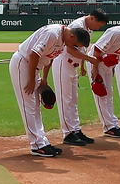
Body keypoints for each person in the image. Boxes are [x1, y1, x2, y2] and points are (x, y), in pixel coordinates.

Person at [8, 23, 93, 157]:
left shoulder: (63, 39)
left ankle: (42, 142)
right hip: (23, 65)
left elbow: (50, 58)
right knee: (28, 106)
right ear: (71, 36)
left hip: (33, 68)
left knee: (36, 107)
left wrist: (44, 79)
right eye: (76, 44)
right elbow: (34, 54)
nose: (75, 47)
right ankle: (37, 145)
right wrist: (31, 79)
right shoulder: (52, 34)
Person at [50, 10, 109, 145]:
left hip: (73, 65)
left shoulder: (88, 27)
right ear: (92, 18)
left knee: (73, 100)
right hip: (63, 64)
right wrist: (89, 59)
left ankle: (75, 130)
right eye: (98, 25)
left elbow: (82, 48)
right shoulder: (78, 25)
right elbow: (70, 49)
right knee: (66, 100)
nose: (98, 28)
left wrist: (82, 65)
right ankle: (68, 133)